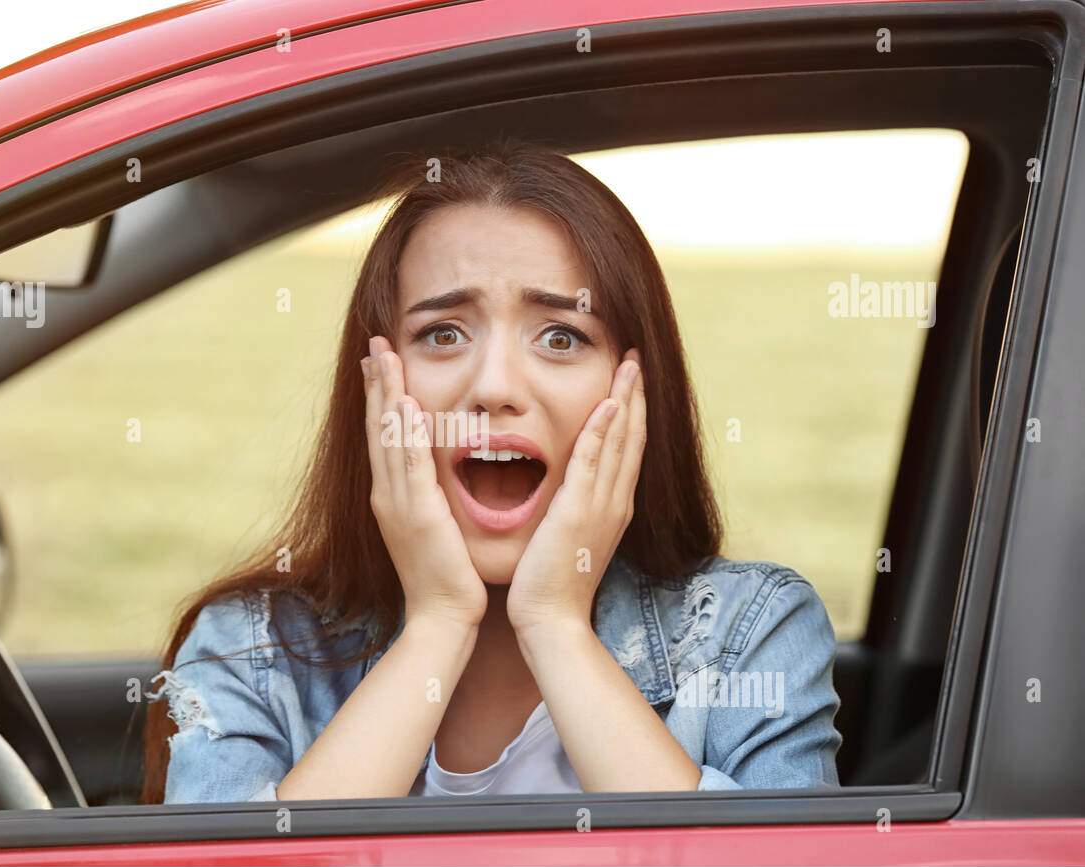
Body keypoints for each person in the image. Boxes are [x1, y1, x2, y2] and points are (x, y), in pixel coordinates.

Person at [139, 138, 842, 803]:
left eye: (562, 336)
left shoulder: (749, 634)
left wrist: (555, 625)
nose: (496, 386)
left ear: (633, 393)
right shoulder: (248, 651)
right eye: (442, 334)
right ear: (375, 385)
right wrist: (437, 625)